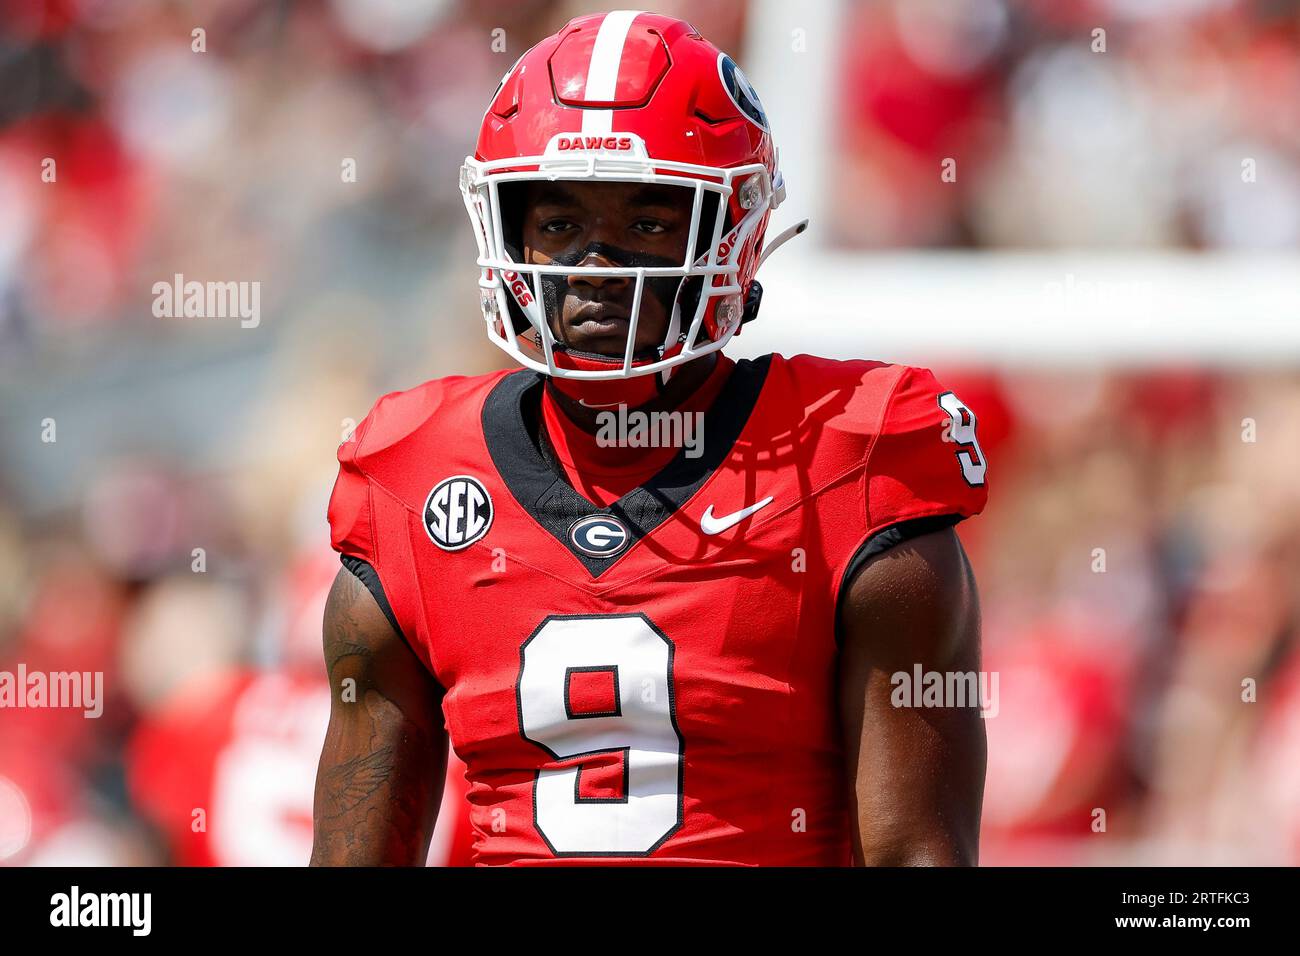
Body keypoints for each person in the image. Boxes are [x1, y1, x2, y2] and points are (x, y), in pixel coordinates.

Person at [311, 10, 989, 866]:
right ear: (507, 232)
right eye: (559, 226)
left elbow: (918, 856)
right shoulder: (414, 477)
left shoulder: (850, 460)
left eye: (649, 223)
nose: (599, 270)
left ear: (734, 230)